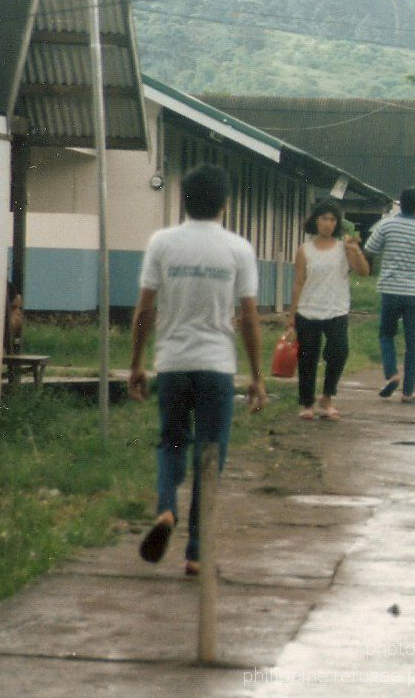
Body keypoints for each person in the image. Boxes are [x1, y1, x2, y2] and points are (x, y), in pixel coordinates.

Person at [128, 164, 268, 576]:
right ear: (226, 203)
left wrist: (136, 363)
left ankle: (166, 509)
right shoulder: (238, 249)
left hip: (172, 364)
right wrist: (257, 375)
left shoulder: (163, 243)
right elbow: (249, 316)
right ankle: (195, 552)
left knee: (171, 442)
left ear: (183, 200)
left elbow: (145, 308)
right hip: (216, 366)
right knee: (211, 454)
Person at [287, 199, 370, 421]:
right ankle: (307, 403)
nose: (328, 224)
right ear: (315, 221)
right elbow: (298, 282)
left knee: (339, 352)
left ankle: (327, 397)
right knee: (307, 358)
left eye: (333, 220)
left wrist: (356, 251)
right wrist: (292, 314)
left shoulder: (344, 248)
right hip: (308, 309)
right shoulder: (304, 250)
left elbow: (363, 272)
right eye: (324, 218)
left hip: (336, 309)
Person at [363, 187, 415, 404]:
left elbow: (369, 250)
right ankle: (408, 392)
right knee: (413, 343)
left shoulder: (386, 225)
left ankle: (392, 373)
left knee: (386, 334)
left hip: (390, 289)